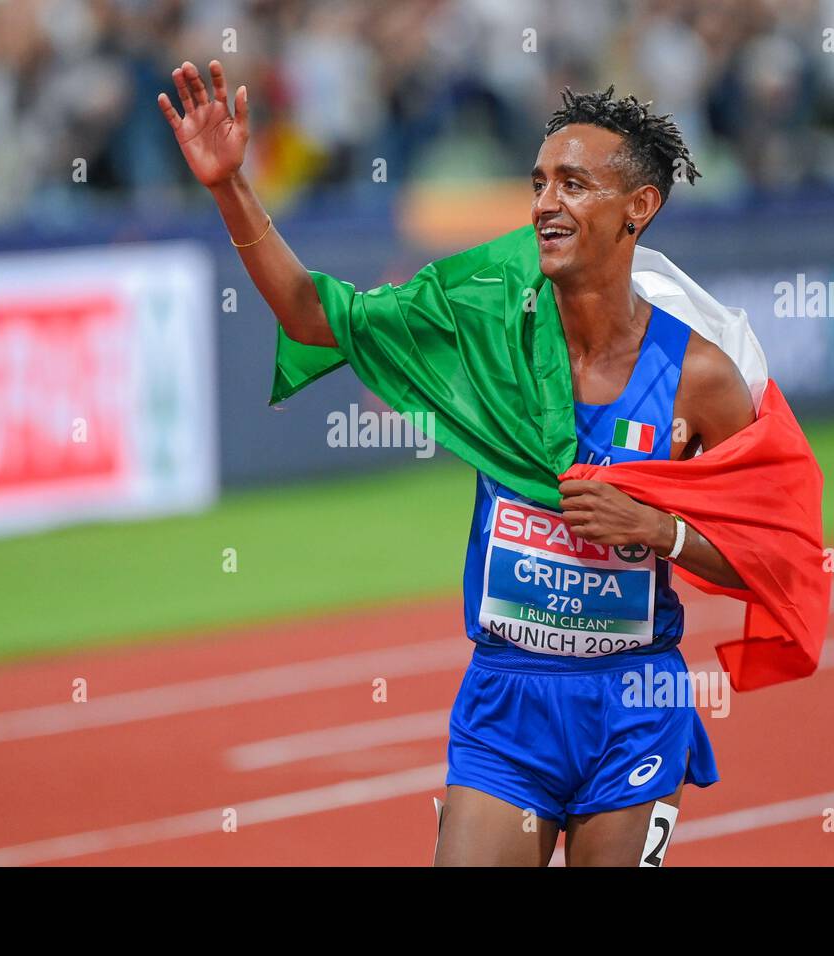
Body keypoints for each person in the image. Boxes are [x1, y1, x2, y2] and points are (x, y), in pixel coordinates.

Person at [159, 60, 760, 867]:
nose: (546, 202)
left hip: (635, 700)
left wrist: (661, 531)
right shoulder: (481, 324)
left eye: (574, 184)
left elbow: (767, 555)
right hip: (506, 699)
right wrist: (231, 185)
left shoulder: (699, 378)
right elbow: (312, 316)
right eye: (539, 182)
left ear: (639, 208)